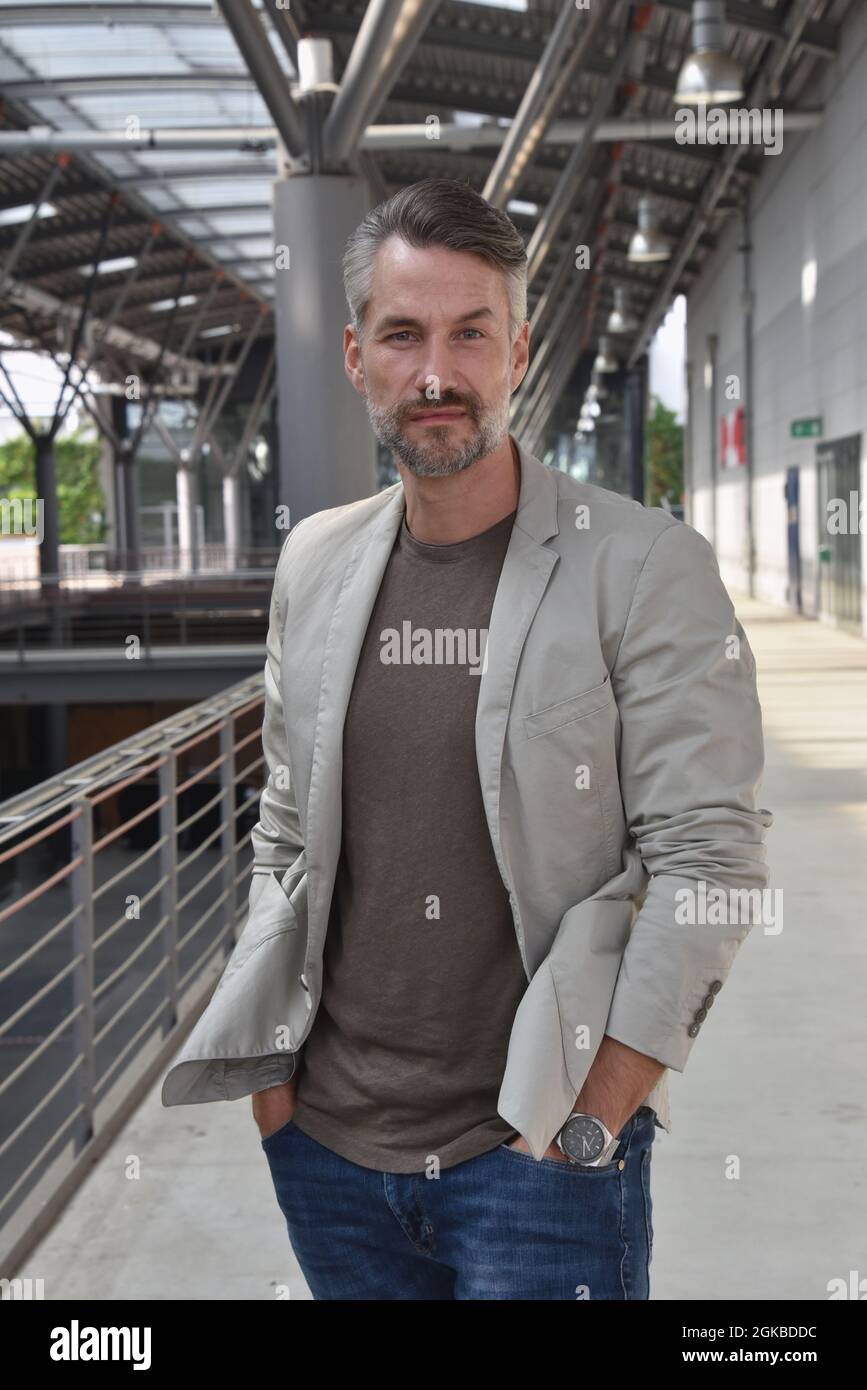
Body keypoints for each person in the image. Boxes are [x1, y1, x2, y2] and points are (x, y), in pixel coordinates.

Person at [162, 178, 773, 1300]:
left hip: (536, 1156)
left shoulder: (639, 566)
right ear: (356, 356)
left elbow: (712, 863)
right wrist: (275, 1098)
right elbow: (286, 829)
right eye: (403, 335)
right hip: (331, 1153)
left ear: (517, 350)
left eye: (468, 333)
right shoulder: (316, 564)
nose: (435, 373)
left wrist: (597, 1112)